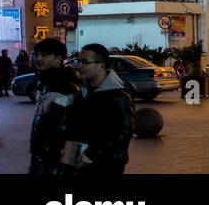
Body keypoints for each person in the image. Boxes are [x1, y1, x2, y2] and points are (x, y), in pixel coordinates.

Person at [65, 44, 136, 175]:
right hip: (78, 163)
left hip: (106, 164)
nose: (80, 66)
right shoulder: (81, 92)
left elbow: (123, 133)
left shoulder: (118, 96)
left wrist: (91, 155)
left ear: (101, 66)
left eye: (85, 62)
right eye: (79, 61)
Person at [28, 37, 80, 174]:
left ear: (58, 58)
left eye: (44, 55)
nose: (38, 59)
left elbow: (74, 129)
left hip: (56, 160)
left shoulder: (66, 87)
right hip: (41, 154)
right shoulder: (43, 83)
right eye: (36, 54)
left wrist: (67, 164)